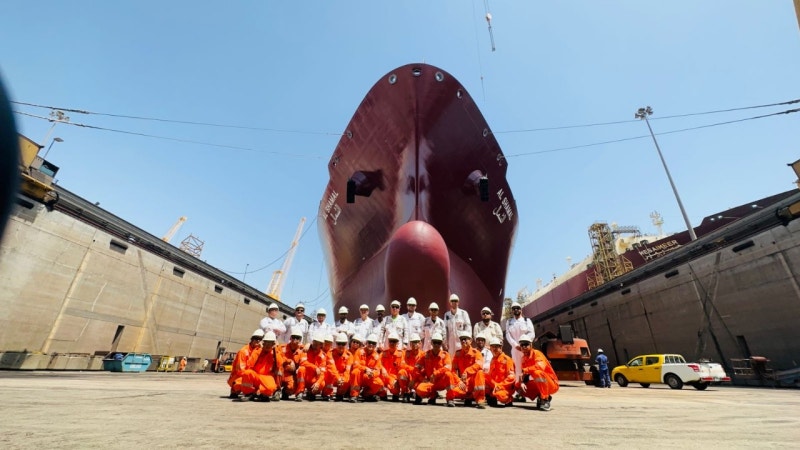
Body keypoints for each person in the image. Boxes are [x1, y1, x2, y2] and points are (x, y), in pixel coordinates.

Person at [235, 331, 285, 401]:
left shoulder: (275, 353)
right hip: (256, 376)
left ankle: (261, 393)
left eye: (270, 343)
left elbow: (280, 364)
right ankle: (248, 393)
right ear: (263, 342)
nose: (267, 345)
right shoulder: (257, 350)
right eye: (266, 342)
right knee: (247, 373)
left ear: (273, 344)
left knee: (270, 388)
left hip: (266, 377)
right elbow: (250, 364)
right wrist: (259, 350)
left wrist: (275, 349)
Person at [515, 334, 559, 411]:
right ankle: (540, 395)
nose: (524, 347)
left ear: (531, 345)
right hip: (539, 383)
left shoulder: (537, 354)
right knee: (517, 385)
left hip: (550, 384)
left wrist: (526, 370)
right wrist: (522, 382)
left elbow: (540, 366)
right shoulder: (524, 358)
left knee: (538, 373)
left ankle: (545, 399)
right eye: (522, 345)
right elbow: (525, 375)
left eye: (526, 344)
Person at [448, 331, 487, 408]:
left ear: (471, 341)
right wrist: (459, 382)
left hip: (473, 382)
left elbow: (479, 365)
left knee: (480, 372)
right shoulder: (458, 354)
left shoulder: (476, 353)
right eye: (461, 339)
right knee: (452, 391)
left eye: (465, 339)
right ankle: (465, 397)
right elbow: (453, 370)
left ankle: (480, 400)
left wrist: (467, 371)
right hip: (464, 383)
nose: (463, 341)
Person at [414, 332, 453, 405]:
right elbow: (416, 367)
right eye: (435, 342)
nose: (436, 345)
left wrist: (436, 373)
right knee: (419, 389)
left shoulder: (445, 355)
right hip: (430, 382)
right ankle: (433, 395)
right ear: (431, 343)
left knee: (448, 374)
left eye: (438, 343)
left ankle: (450, 399)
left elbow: (448, 367)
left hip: (441, 382)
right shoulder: (426, 355)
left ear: (441, 344)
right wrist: (422, 378)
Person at [227, 329, 264, 398]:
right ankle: (236, 389)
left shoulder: (260, 350)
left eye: (260, 339)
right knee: (239, 384)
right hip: (241, 376)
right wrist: (250, 377)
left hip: (252, 375)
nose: (258, 341)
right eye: (256, 338)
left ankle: (253, 390)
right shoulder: (243, 351)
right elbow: (240, 371)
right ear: (252, 339)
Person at [503, 302, 534, 381]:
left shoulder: (527, 320)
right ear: (512, 311)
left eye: (517, 308)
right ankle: (518, 388)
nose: (516, 310)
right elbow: (508, 335)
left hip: (526, 348)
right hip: (515, 349)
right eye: (514, 309)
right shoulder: (509, 322)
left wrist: (525, 344)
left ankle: (529, 387)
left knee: (528, 367)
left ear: (521, 310)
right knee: (517, 368)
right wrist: (515, 345)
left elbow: (532, 333)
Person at [350, 334, 384, 402]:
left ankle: (366, 394)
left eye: (373, 343)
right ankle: (354, 395)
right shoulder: (359, 351)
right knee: (355, 372)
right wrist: (365, 369)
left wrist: (373, 374)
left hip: (369, 377)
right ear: (366, 343)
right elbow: (355, 365)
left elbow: (378, 370)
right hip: (360, 376)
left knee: (379, 383)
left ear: (375, 345)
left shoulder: (377, 356)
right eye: (369, 342)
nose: (371, 344)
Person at [296, 333, 328, 401]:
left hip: (313, 379)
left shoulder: (323, 356)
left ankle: (311, 393)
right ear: (312, 342)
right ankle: (300, 392)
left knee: (322, 383)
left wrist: (317, 383)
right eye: (314, 342)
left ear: (321, 345)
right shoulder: (306, 350)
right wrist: (315, 367)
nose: (315, 345)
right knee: (301, 369)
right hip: (304, 378)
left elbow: (322, 373)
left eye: (318, 343)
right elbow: (302, 362)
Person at [485, 337, 516, 407]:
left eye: (496, 347)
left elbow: (511, 377)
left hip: (504, 387)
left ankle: (509, 399)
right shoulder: (492, 360)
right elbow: (491, 375)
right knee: (482, 376)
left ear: (501, 347)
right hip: (495, 385)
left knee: (501, 396)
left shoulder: (507, 359)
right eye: (492, 347)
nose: (494, 349)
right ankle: (491, 396)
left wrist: (500, 385)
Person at [324, 333, 354, 401]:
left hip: (342, 377)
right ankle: (327, 393)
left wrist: (343, 379)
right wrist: (338, 378)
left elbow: (347, 370)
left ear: (346, 344)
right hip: (333, 376)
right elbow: (332, 368)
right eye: (339, 343)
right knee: (328, 372)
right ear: (336, 343)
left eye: (343, 344)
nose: (341, 346)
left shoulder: (349, 355)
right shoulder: (330, 353)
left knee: (348, 378)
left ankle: (340, 393)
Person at [280, 327, 307, 400]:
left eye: (297, 338)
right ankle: (276, 390)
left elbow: (303, 362)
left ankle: (287, 391)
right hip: (282, 373)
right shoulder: (282, 348)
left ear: (300, 340)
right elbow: (278, 357)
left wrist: (309, 344)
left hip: (293, 375)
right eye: (293, 337)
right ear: (290, 338)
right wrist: (289, 360)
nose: (295, 340)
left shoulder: (302, 350)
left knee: (302, 369)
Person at [379, 331, 404, 401]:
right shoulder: (383, 353)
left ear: (397, 343)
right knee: (378, 381)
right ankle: (382, 393)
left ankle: (396, 393)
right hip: (384, 376)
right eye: (390, 341)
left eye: (394, 341)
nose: (392, 343)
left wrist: (397, 380)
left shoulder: (401, 354)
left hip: (394, 378)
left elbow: (402, 368)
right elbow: (377, 363)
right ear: (388, 342)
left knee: (395, 390)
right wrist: (382, 368)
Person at [399, 333, 424, 402]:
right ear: (410, 344)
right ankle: (406, 393)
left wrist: (414, 377)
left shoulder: (423, 355)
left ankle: (418, 393)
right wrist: (413, 369)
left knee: (423, 376)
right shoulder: (405, 353)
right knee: (401, 373)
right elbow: (402, 365)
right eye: (413, 342)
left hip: (417, 378)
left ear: (420, 343)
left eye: (417, 342)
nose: (415, 344)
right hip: (408, 377)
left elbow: (424, 369)